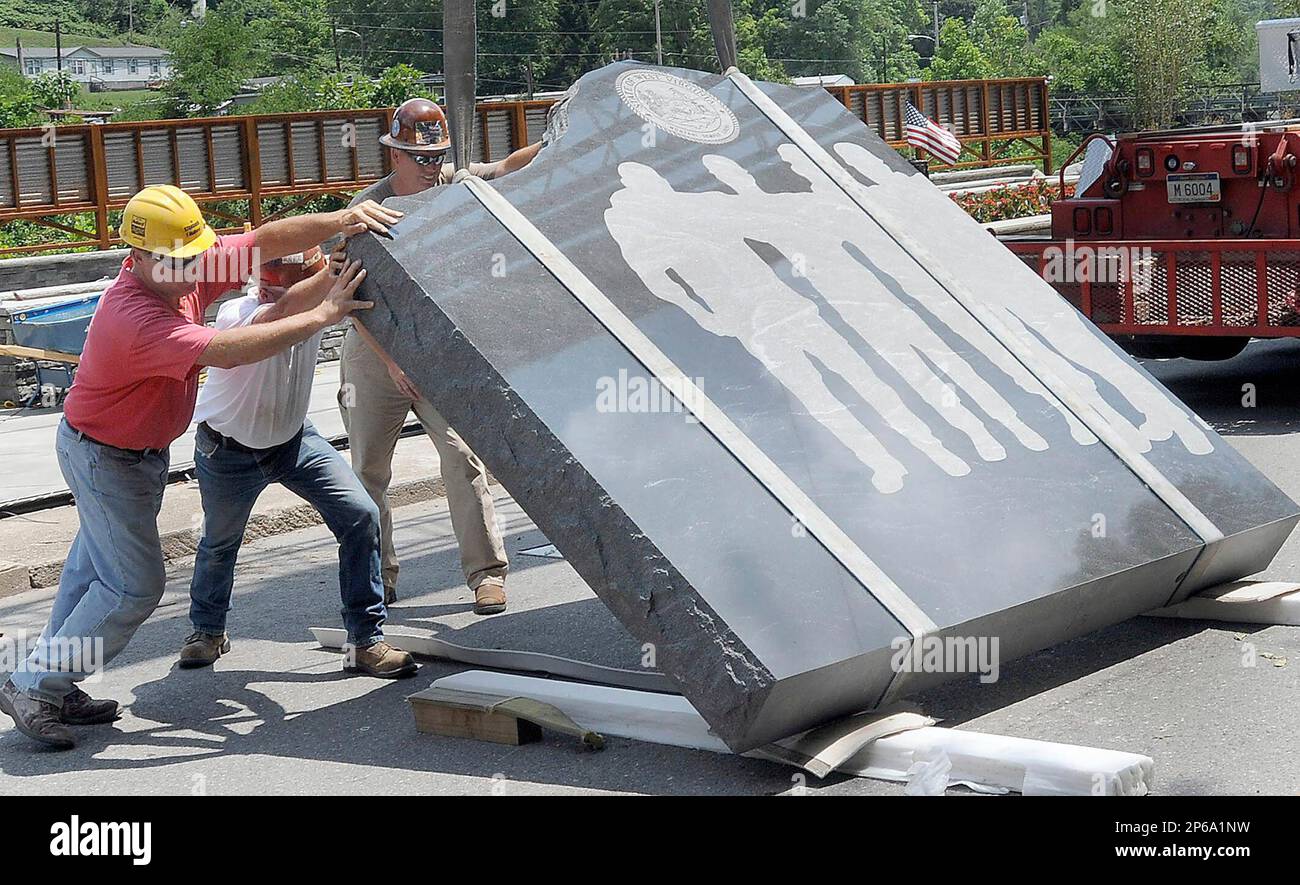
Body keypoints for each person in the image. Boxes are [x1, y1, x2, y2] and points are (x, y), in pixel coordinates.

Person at [0, 185, 399, 749]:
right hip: (105, 458)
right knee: (134, 587)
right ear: (141, 260)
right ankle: (35, 681)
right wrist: (327, 313)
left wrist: (342, 218)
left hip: (128, 456)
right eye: (183, 262)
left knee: (91, 579)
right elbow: (229, 350)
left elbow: (263, 240)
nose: (198, 270)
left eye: (196, 257)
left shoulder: (174, 266)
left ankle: (48, 683)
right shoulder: (135, 317)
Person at [339, 97, 541, 613]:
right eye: (422, 159)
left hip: (436, 351)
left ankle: (486, 574)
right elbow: (349, 300)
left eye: (438, 157)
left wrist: (554, 141)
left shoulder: (453, 186)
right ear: (395, 156)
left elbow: (504, 168)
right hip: (375, 351)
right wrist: (391, 361)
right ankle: (378, 578)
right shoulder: (366, 212)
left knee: (461, 456)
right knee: (368, 471)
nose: (433, 168)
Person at [178, 247, 415, 680]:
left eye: (279, 281)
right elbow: (282, 312)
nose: (270, 290)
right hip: (228, 449)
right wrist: (330, 274)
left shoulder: (319, 305)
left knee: (361, 516)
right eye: (268, 283)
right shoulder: (238, 312)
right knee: (219, 543)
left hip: (292, 439)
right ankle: (207, 630)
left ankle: (365, 641)